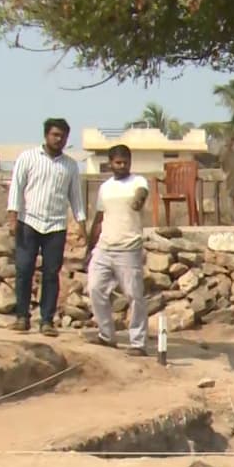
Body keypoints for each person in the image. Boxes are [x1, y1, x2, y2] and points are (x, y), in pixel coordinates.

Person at [7, 117, 87, 336]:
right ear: (46, 135)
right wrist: (12, 216)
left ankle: (46, 321)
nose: (58, 139)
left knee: (51, 273)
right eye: (55, 135)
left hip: (55, 226)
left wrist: (81, 224)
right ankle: (22, 317)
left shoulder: (70, 165)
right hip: (28, 222)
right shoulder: (28, 157)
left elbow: (76, 197)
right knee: (24, 270)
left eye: (62, 136)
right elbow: (16, 187)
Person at [86, 145, 149, 356]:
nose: (122, 166)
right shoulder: (105, 188)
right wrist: (89, 246)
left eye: (125, 162)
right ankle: (106, 335)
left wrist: (138, 200)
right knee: (95, 288)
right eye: (118, 162)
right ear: (110, 163)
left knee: (134, 295)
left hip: (128, 248)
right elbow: (98, 218)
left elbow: (142, 193)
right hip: (104, 247)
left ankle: (138, 343)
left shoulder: (138, 182)